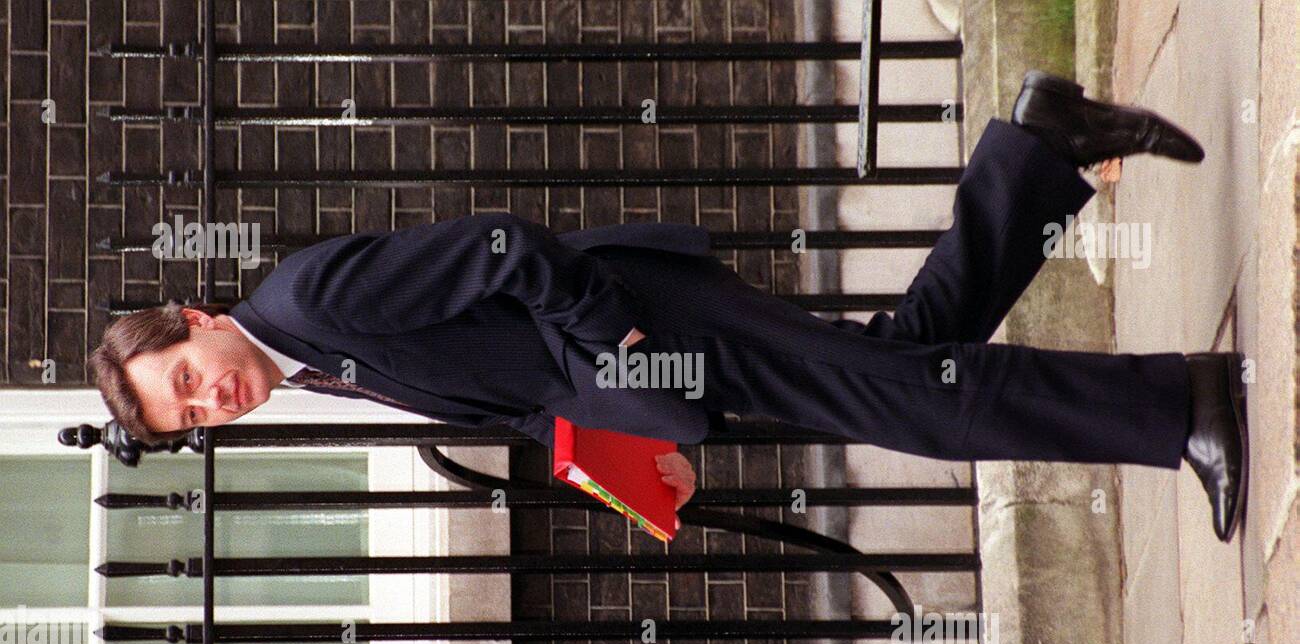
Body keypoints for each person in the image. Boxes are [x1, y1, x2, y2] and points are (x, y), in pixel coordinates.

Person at [88, 71, 1248, 543]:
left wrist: (626, 357)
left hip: (657, 326)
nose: (210, 403)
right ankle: (1041, 147)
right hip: (646, 371)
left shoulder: (312, 299)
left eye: (185, 380)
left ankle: (1179, 403)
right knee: (903, 367)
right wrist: (611, 449)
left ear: (194, 318)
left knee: (917, 407)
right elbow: (504, 374)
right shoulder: (305, 359)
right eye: (190, 420)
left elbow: (507, 248)